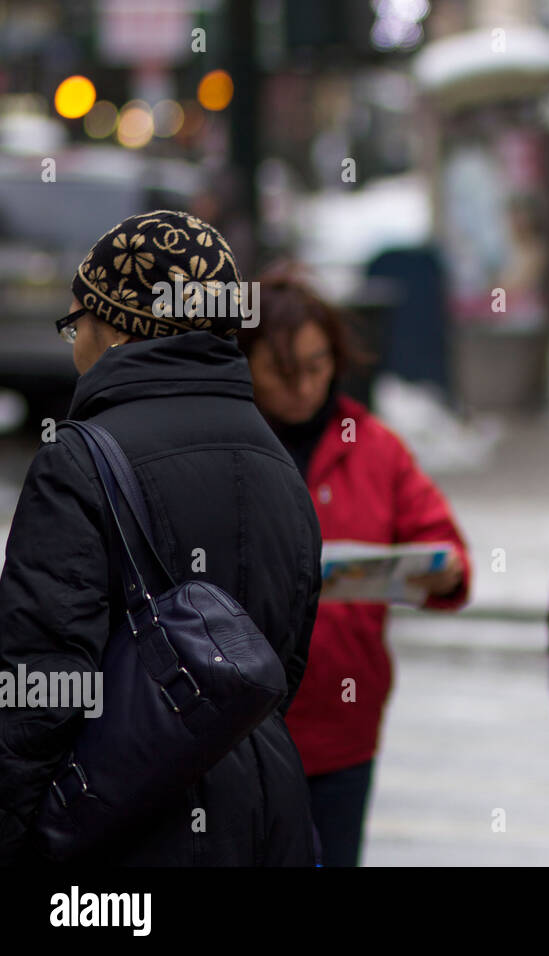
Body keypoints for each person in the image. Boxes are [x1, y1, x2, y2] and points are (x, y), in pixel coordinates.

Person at [0, 210, 320, 864]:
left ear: (117, 327)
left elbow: (41, 685)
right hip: (268, 817)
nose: (73, 346)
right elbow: (281, 663)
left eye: (75, 323)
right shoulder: (278, 460)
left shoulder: (78, 460)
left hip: (125, 828)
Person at [237, 264, 472, 867]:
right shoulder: (226, 448)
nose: (304, 387)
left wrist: (443, 571)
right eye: (284, 371)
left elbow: (442, 543)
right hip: (236, 726)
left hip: (343, 728)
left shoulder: (374, 447)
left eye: (318, 367)